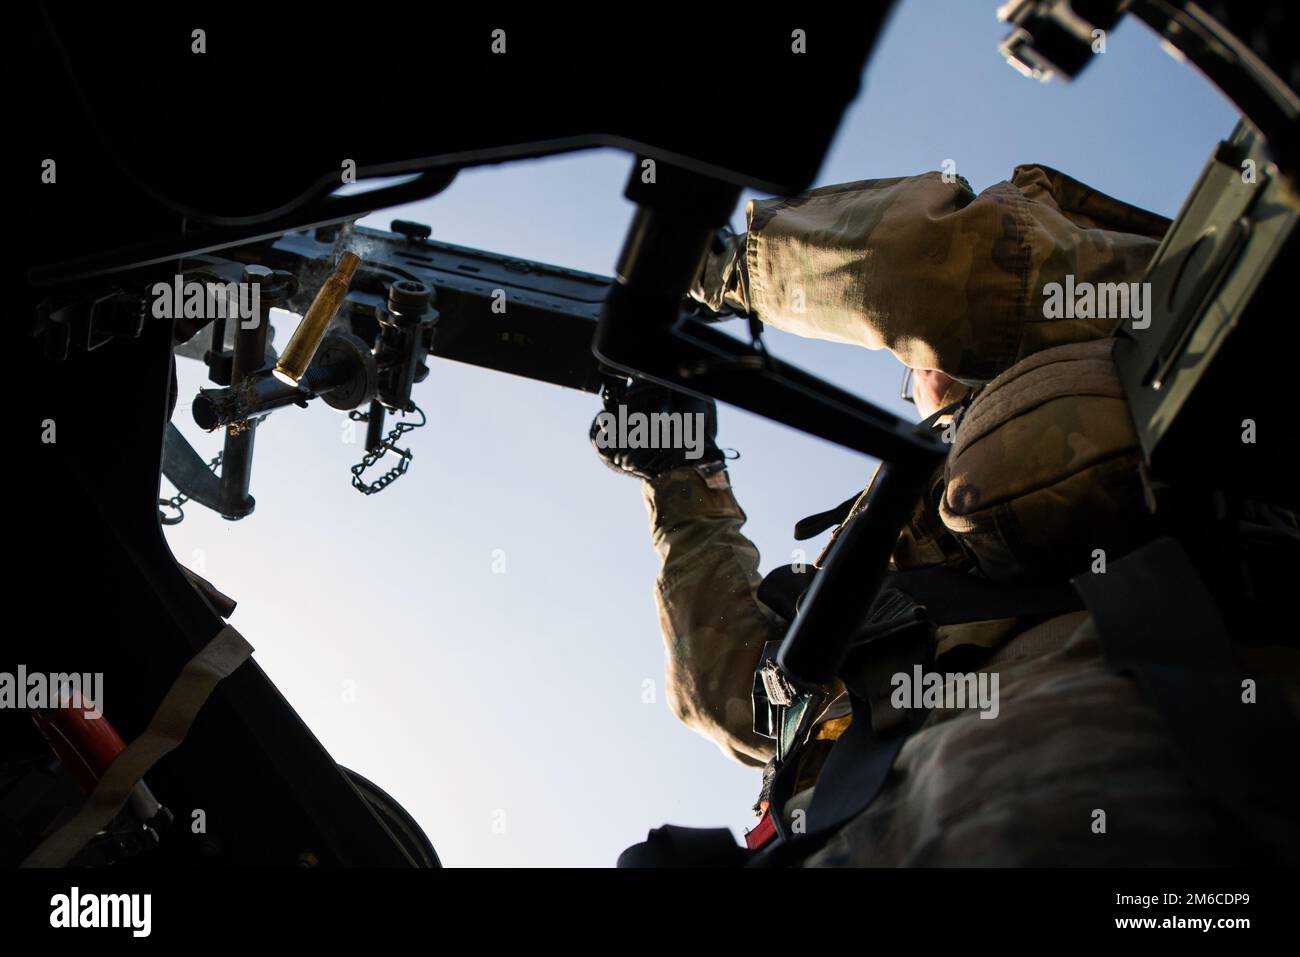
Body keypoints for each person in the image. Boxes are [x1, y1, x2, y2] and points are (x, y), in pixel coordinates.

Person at [594, 165, 1300, 866]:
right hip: (867, 802)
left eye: (914, 366)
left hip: (1105, 706)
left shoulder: (1133, 314)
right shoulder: (886, 537)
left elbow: (934, 260)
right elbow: (734, 694)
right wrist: (680, 471)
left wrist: (716, 270)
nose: (917, 380)